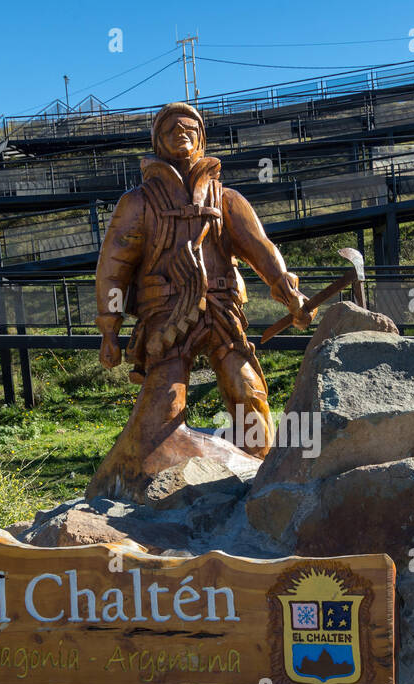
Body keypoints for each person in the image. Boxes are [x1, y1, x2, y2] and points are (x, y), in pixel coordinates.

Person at [93, 102, 312, 459]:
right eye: (171, 129)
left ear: (201, 139)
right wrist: (109, 329)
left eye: (189, 129)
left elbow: (261, 249)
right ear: (158, 141)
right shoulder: (137, 203)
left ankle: (259, 476)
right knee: (163, 408)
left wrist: (290, 292)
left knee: (248, 394)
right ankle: (156, 488)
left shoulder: (225, 198)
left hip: (223, 313)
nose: (181, 134)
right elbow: (113, 266)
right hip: (166, 315)